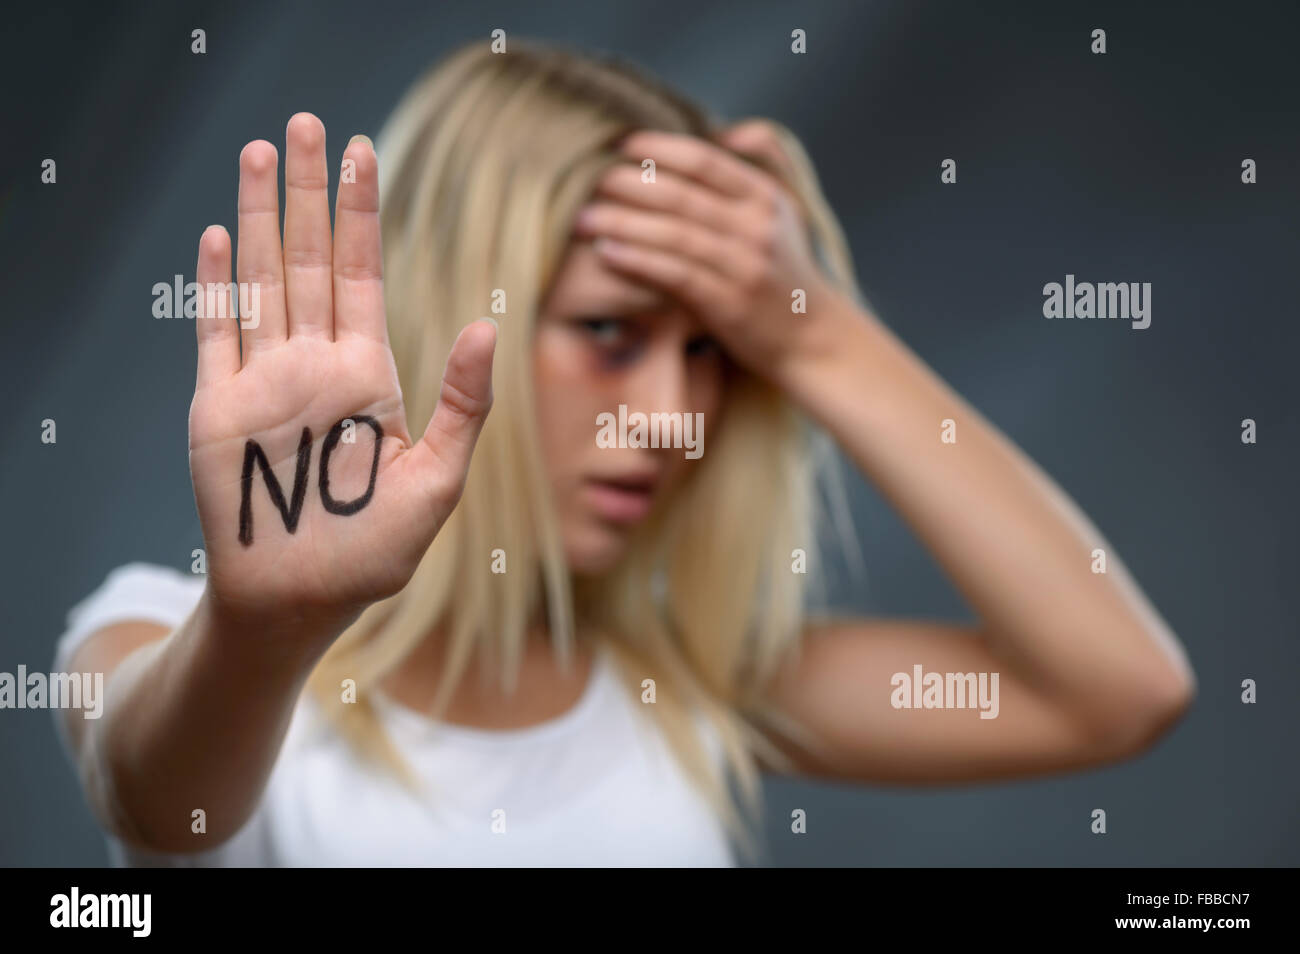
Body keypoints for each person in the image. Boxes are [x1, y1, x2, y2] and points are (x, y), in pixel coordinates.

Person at [53, 40, 1195, 866]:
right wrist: (265, 629)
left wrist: (817, 334)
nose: (675, 413)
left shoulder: (684, 684)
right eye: (609, 332)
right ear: (456, 312)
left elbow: (1118, 693)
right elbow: (162, 810)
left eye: (713, 350)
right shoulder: (166, 635)